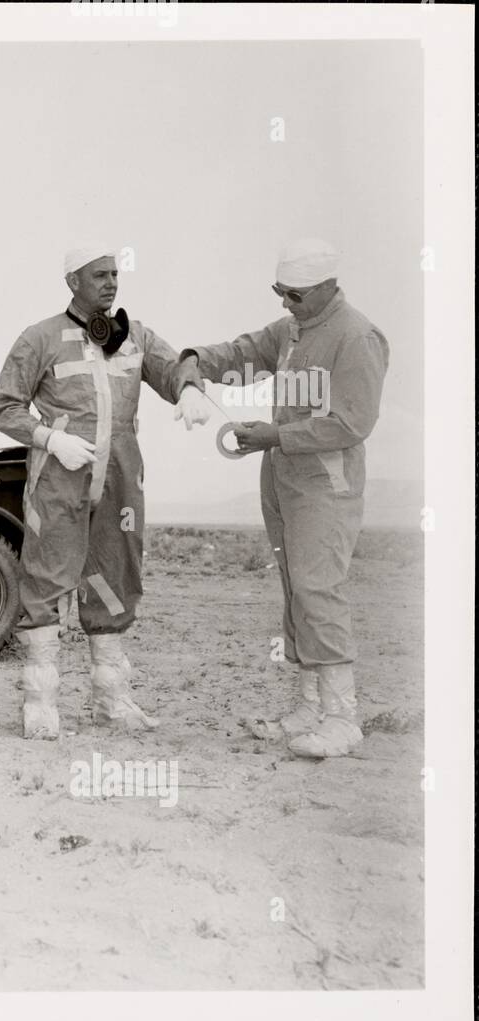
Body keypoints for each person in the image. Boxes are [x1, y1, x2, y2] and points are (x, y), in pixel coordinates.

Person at [178, 238, 389, 758]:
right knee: (297, 589)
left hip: (326, 484)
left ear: (326, 288)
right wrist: (192, 362)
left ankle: (342, 718)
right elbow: (242, 355)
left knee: (320, 589)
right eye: (280, 293)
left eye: (293, 295)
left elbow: (352, 423)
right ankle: (308, 707)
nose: (285, 304)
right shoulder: (292, 330)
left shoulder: (357, 337)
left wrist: (274, 436)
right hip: (282, 480)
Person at [0, 246, 213, 738]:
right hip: (59, 476)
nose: (111, 283)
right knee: (46, 579)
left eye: (115, 274)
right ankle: (40, 703)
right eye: (100, 275)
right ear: (73, 280)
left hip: (120, 476)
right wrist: (50, 438)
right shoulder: (40, 338)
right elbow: (4, 408)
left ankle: (112, 701)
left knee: (114, 574)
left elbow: (174, 367)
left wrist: (191, 388)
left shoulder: (134, 336)